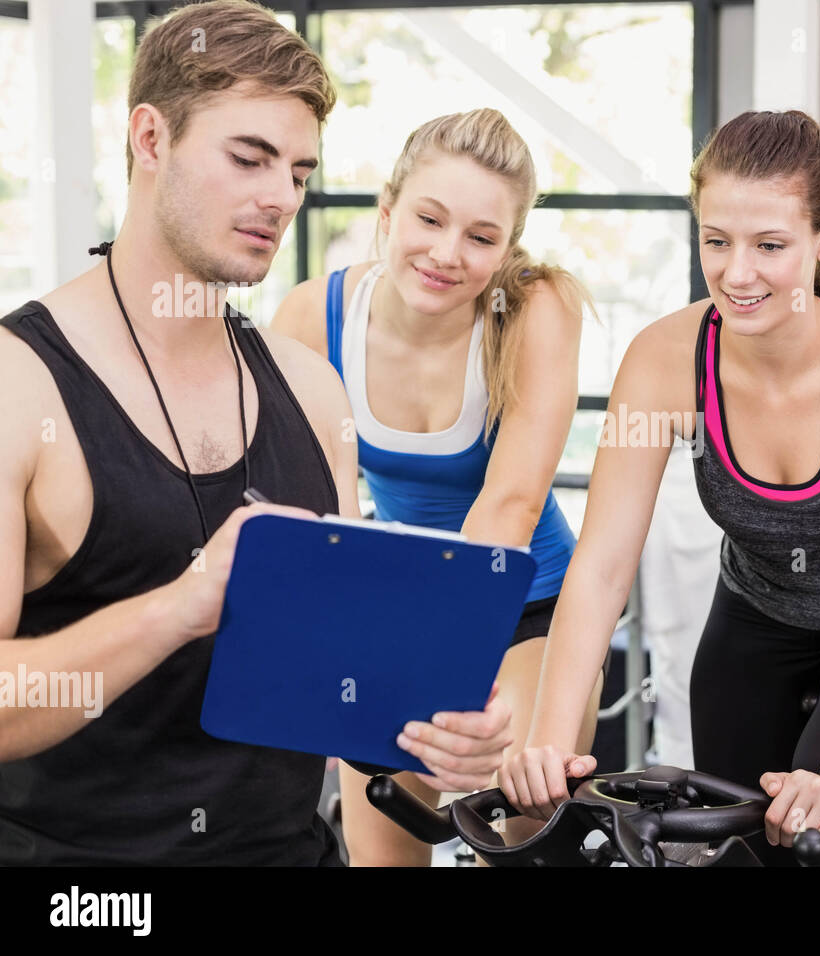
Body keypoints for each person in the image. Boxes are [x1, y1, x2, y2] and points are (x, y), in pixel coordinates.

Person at [0, 0, 509, 865]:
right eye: (249, 157)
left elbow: (335, 693)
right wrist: (180, 606)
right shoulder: (18, 385)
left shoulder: (311, 391)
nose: (281, 197)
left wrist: (433, 727)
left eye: (300, 172)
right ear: (150, 139)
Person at [500, 110, 820, 867]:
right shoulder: (664, 358)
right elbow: (598, 571)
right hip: (761, 612)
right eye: (716, 241)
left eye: (770, 245)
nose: (737, 272)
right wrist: (550, 755)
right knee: (733, 843)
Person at [272, 108, 598, 866]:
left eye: (481, 237)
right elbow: (324, 517)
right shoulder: (313, 317)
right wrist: (352, 662)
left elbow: (510, 503)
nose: (447, 254)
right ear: (387, 212)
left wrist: (436, 673)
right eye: (429, 219)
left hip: (532, 608)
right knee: (383, 850)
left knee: (515, 835)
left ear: (508, 249)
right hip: (392, 612)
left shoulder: (535, 308)